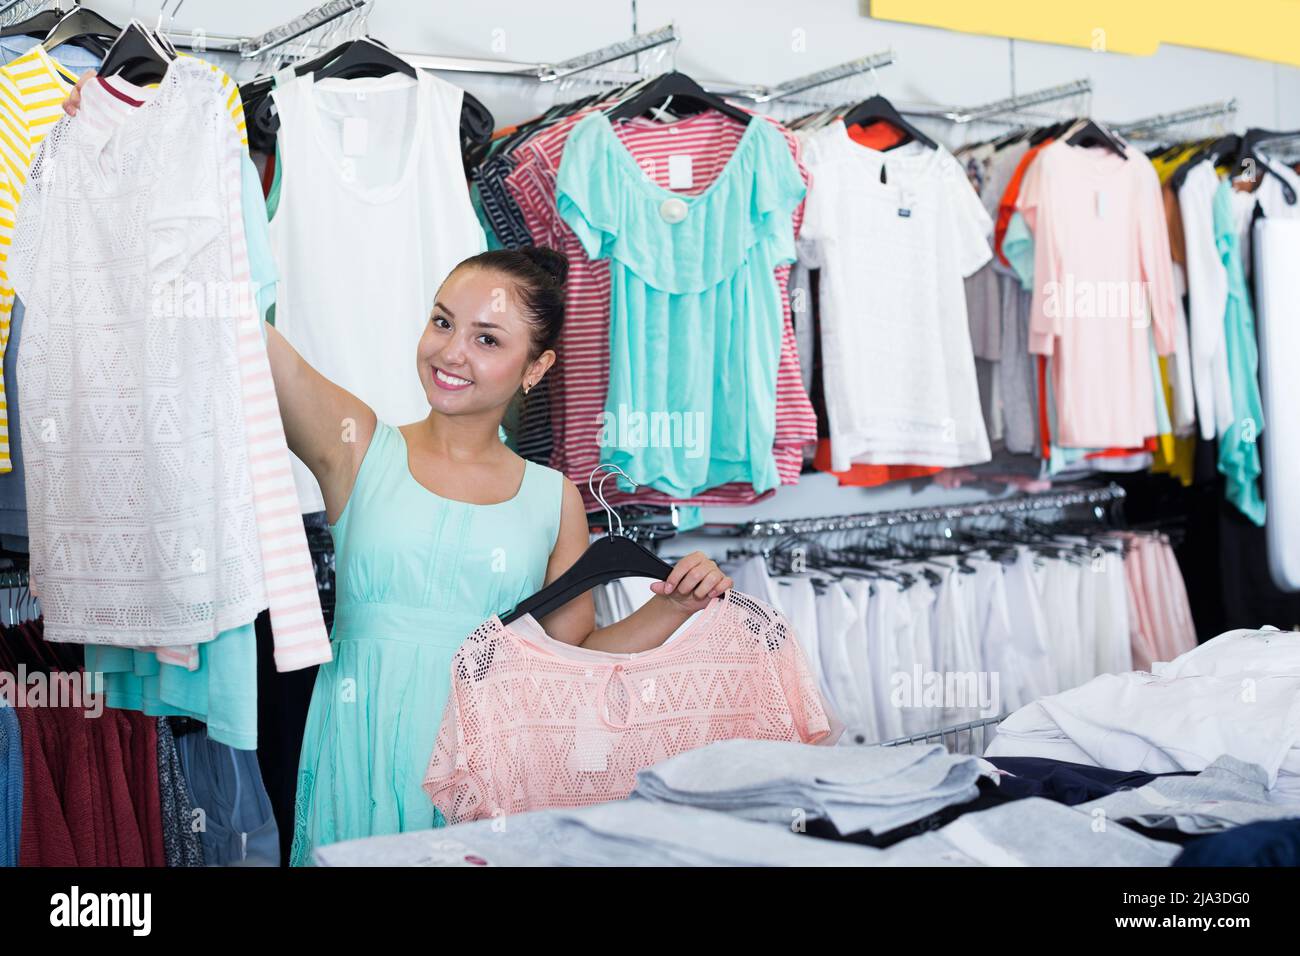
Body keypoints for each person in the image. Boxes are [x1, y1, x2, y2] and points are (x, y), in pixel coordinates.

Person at [62, 74, 735, 864]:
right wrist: (133, 150)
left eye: (488, 339)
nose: (451, 351)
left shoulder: (553, 502)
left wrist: (677, 607)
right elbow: (238, 324)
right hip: (358, 755)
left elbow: (573, 663)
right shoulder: (358, 445)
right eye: (443, 322)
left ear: (534, 367)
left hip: (490, 774)